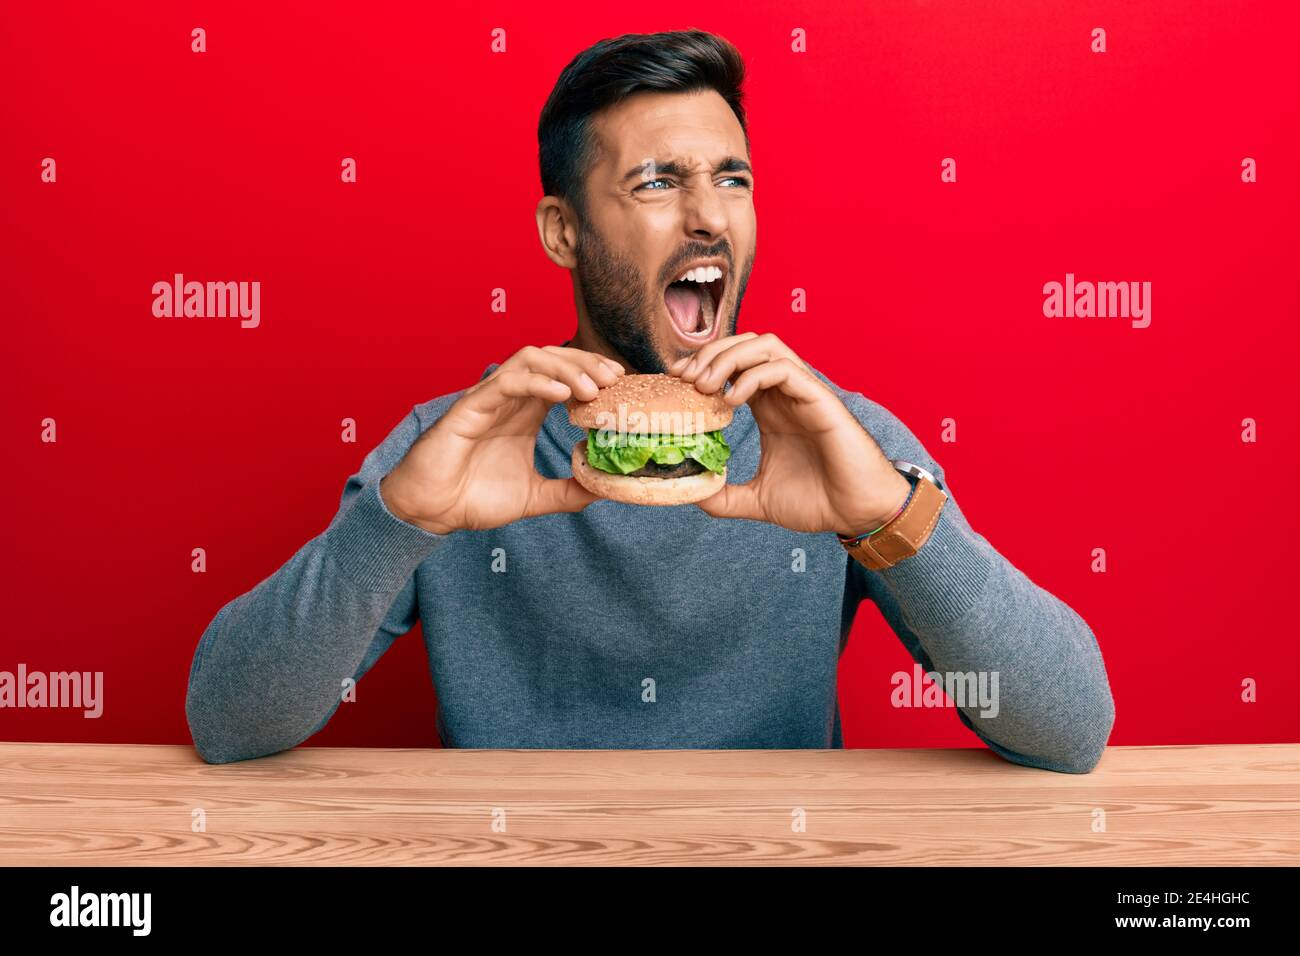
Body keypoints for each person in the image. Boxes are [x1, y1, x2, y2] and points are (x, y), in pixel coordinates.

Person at [185, 29, 1115, 771]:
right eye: (658, 183)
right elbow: (228, 720)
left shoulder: (839, 441)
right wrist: (399, 523)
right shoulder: (456, 446)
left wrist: (888, 519)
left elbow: (1069, 728)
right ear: (564, 231)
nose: (708, 216)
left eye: (732, 179)